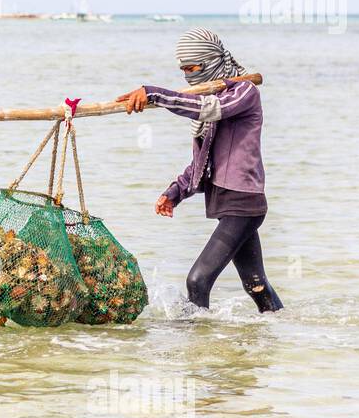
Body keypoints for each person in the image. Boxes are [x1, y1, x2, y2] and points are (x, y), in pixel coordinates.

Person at [118, 29, 283, 312]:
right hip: (228, 204)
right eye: (183, 70)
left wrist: (154, 93)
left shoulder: (243, 93)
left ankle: (196, 346)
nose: (188, 77)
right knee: (255, 284)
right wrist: (174, 193)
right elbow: (201, 163)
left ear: (210, 61)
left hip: (243, 204)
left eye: (193, 69)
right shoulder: (213, 100)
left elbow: (208, 108)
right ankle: (279, 330)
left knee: (198, 280)